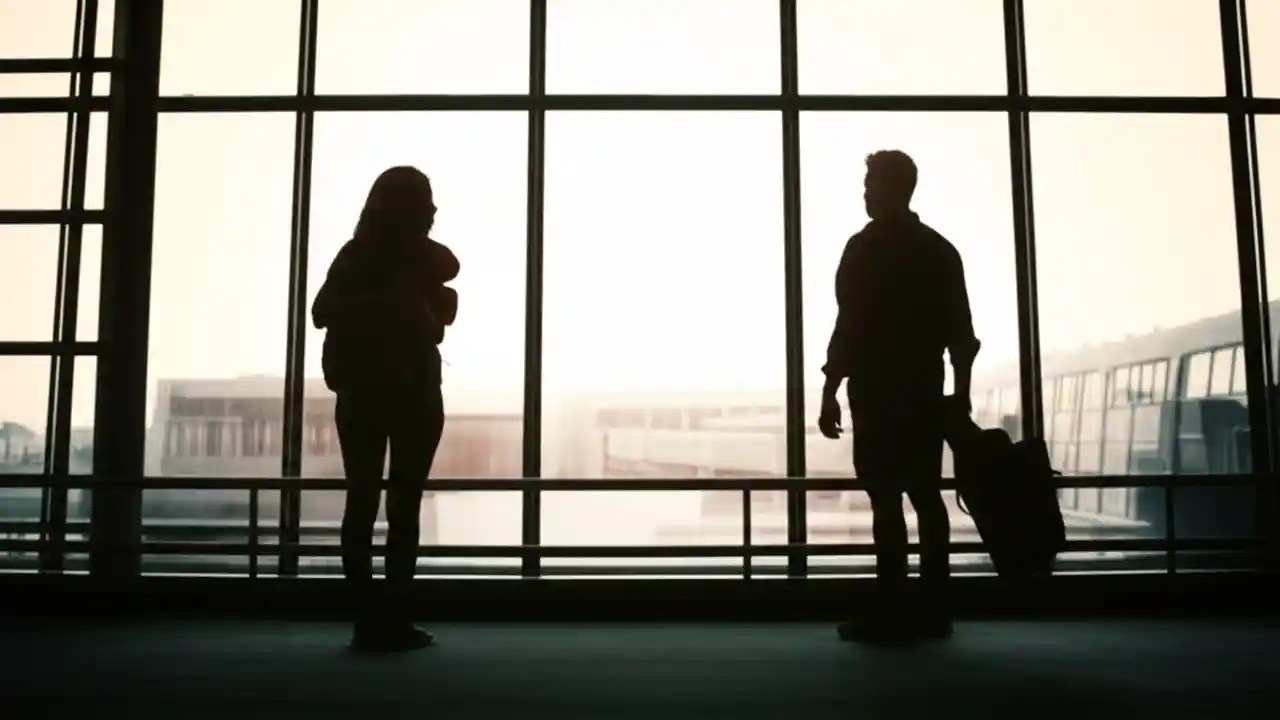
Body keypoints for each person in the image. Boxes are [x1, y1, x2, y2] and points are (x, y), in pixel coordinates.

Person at [818, 150, 980, 643]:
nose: (865, 191)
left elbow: (848, 329)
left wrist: (830, 388)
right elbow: (962, 336)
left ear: (891, 187)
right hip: (923, 394)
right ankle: (934, 609)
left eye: (870, 183)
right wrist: (960, 397)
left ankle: (891, 609)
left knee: (885, 502)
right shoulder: (938, 251)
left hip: (875, 395)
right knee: (927, 499)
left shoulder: (861, 250)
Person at [312, 166, 459, 652]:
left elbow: (320, 311)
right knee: (405, 505)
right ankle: (395, 614)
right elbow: (449, 269)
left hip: (362, 394)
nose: (434, 210)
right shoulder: (421, 262)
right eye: (426, 202)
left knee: (361, 504)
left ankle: (365, 617)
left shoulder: (355, 257)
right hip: (415, 390)